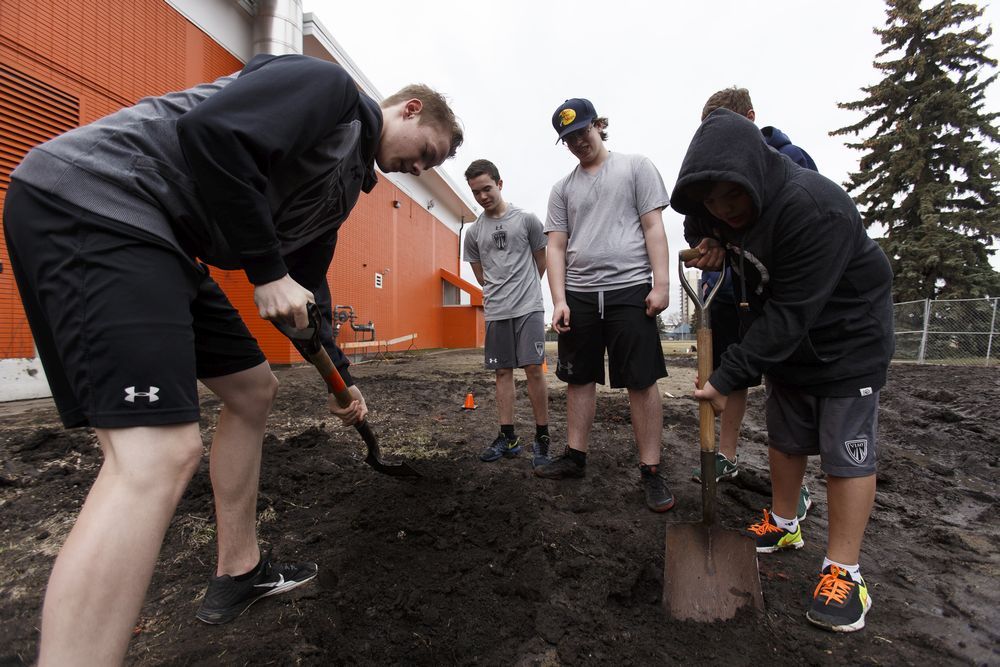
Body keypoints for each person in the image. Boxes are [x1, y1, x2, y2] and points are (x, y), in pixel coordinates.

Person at [3, 53, 462, 665]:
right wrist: (267, 271)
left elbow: (307, 294)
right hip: (100, 201)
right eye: (427, 152)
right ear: (409, 109)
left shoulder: (345, 185)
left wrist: (342, 383)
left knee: (252, 389)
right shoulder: (327, 91)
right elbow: (210, 133)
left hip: (165, 238)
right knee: (156, 454)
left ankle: (239, 571)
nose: (420, 167)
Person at [672, 108, 893, 632]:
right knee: (786, 437)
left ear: (756, 174)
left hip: (847, 339)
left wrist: (727, 376)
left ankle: (845, 570)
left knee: (844, 453)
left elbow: (795, 311)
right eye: (713, 204)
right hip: (789, 341)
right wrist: (717, 244)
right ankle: (785, 521)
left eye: (733, 198)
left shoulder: (814, 209)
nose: (725, 211)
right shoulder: (722, 212)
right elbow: (707, 227)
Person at [535, 98, 675, 513]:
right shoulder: (562, 188)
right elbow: (556, 246)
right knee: (579, 377)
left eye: (582, 131)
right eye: (568, 138)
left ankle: (651, 470)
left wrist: (661, 284)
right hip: (579, 294)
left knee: (641, 378)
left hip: (630, 288)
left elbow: (654, 226)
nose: (578, 141)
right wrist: (558, 299)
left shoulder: (636, 167)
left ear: (598, 124)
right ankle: (575, 457)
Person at [685, 86, 817, 522]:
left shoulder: (789, 159)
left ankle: (790, 493)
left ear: (751, 118)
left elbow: (796, 226)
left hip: (776, 296)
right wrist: (711, 243)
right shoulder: (709, 178)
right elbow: (697, 226)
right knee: (729, 372)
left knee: (783, 382)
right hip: (725, 289)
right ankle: (724, 454)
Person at [463, 159, 552, 467]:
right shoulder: (473, 233)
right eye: (476, 192)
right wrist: (501, 292)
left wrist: (525, 287)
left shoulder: (527, 220)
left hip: (528, 306)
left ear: (499, 184)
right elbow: (480, 274)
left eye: (487, 188)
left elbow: (542, 260)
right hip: (497, 310)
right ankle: (509, 437)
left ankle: (542, 437)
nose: (483, 196)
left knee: (532, 368)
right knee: (502, 372)